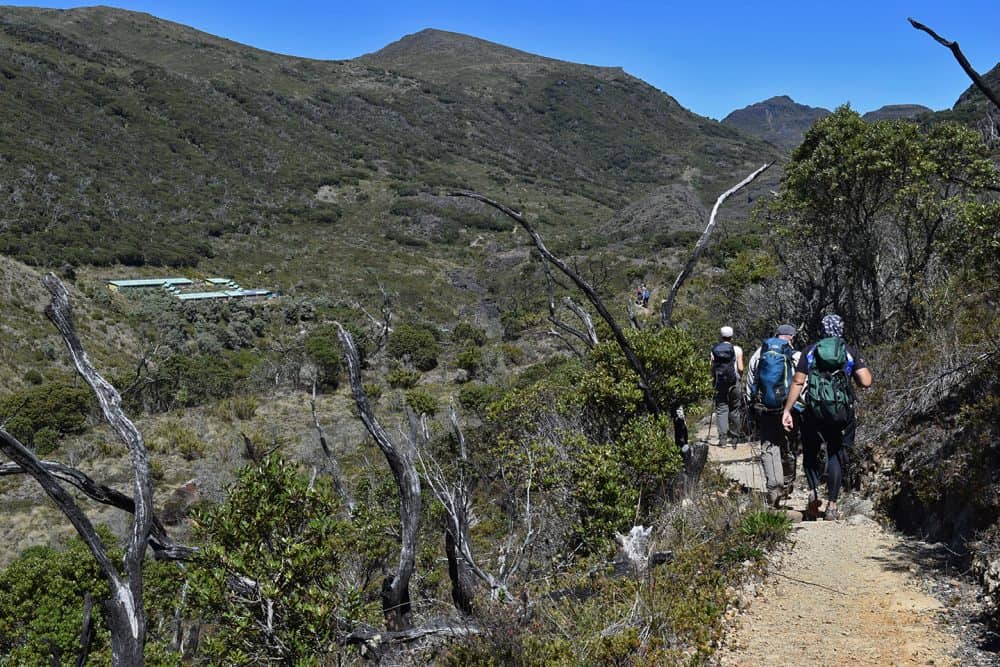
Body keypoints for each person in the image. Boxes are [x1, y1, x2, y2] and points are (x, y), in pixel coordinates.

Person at [781, 314, 872, 520]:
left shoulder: (810, 351)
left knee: (811, 452)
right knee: (835, 455)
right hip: (841, 413)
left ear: (821, 330)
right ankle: (831, 505)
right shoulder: (848, 351)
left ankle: (813, 494)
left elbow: (797, 382)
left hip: (813, 412)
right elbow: (866, 381)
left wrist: (787, 410)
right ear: (841, 329)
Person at [745, 324, 800, 507]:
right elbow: (802, 383)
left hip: (765, 407)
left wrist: (751, 404)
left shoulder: (759, 354)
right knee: (789, 445)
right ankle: (787, 482)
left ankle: (773, 487)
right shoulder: (795, 356)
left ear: (776, 335)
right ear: (792, 338)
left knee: (769, 445)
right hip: (790, 408)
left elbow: (750, 380)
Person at [711, 325, 744, 448]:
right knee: (735, 410)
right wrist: (739, 377)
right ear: (732, 336)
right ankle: (735, 438)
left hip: (719, 383)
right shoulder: (737, 349)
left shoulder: (715, 349)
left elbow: (712, 368)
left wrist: (714, 380)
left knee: (721, 410)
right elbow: (740, 368)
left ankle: (723, 440)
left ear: (721, 336)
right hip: (734, 383)